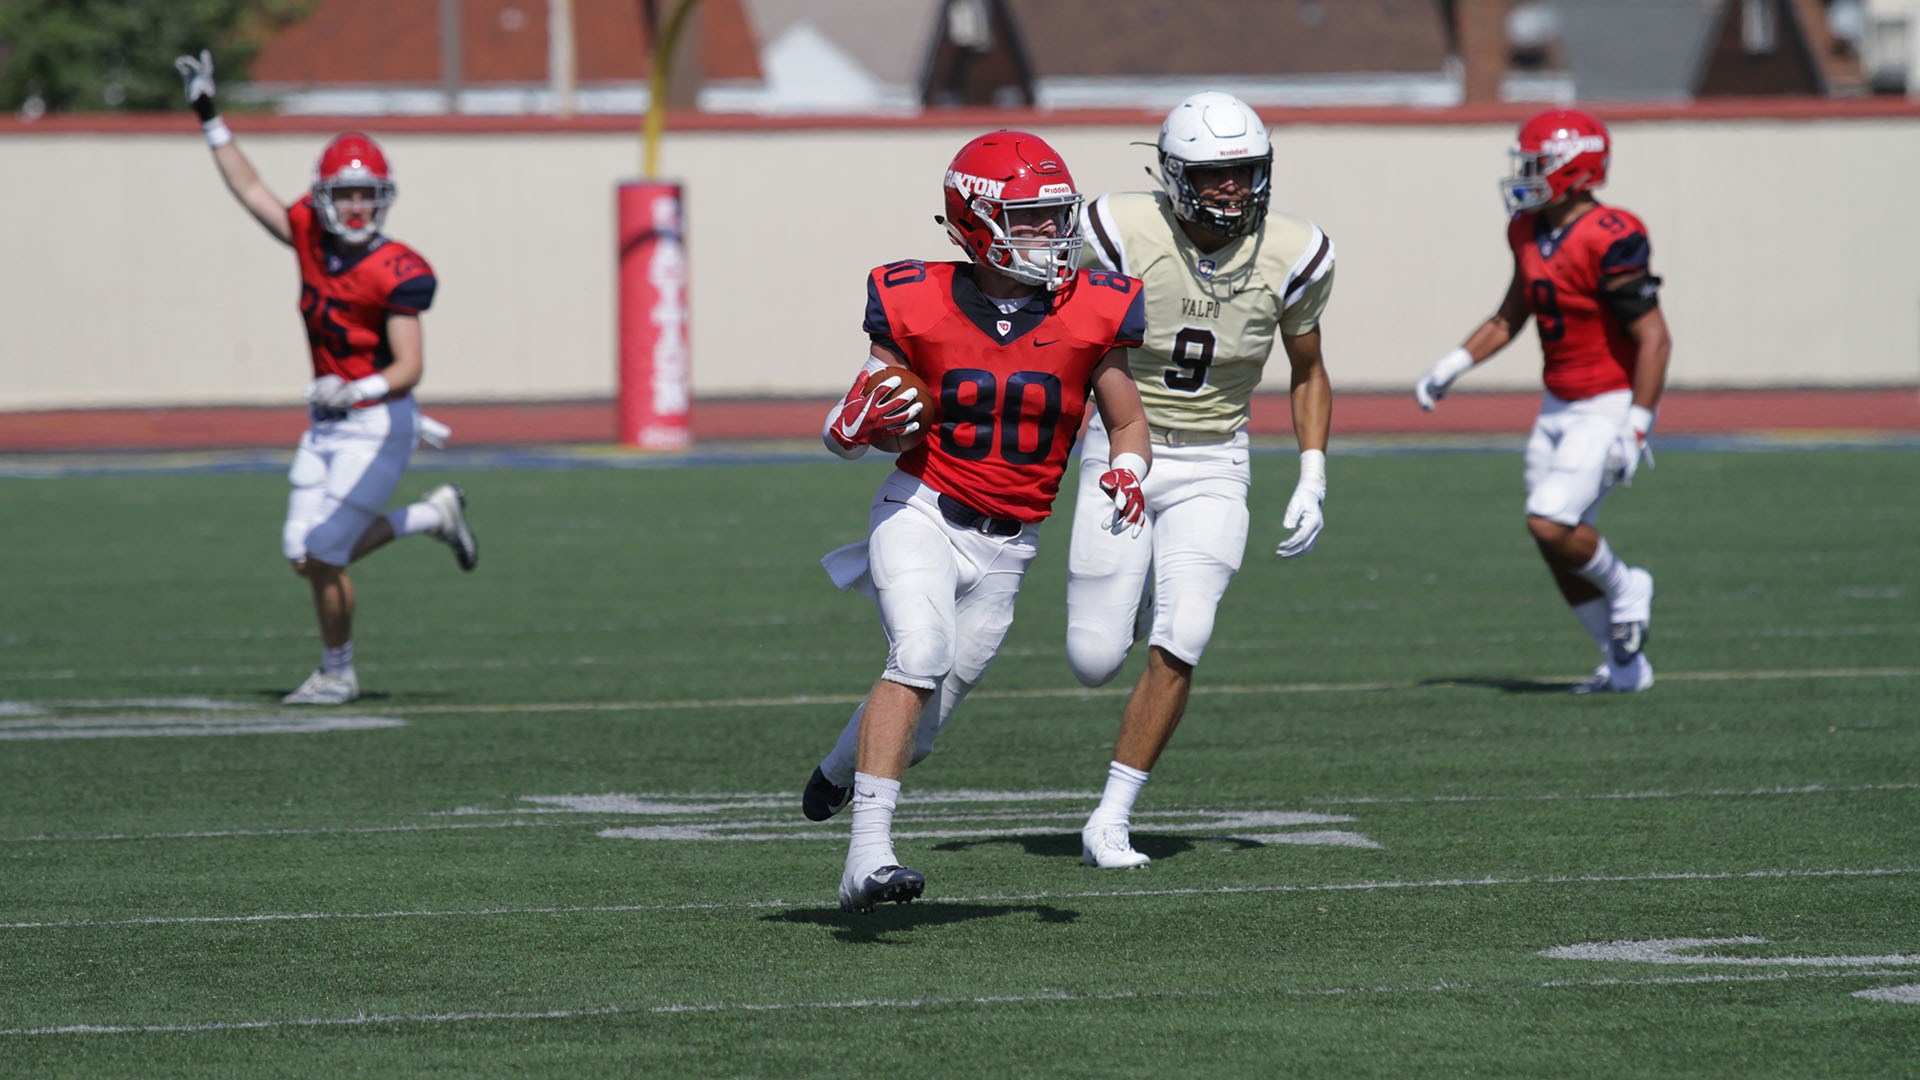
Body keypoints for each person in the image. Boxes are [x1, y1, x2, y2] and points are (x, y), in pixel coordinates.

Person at [804, 130, 1153, 912]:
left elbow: (1127, 423)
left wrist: (1128, 469)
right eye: (1029, 219)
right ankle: (867, 859)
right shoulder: (913, 297)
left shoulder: (1095, 309)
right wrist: (854, 426)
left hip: (1009, 548)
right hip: (922, 508)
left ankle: (834, 770)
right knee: (919, 651)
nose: (1050, 235)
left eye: (1056, 217)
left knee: (921, 732)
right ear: (973, 220)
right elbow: (858, 424)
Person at [1063, 91, 1336, 869]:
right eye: (1215, 176)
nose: (1233, 189)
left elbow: (1309, 369)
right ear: (1175, 174)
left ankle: (1110, 819)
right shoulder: (1117, 230)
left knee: (1184, 635)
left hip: (1217, 456)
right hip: (1124, 449)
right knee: (1092, 658)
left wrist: (1311, 473)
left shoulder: (1297, 251)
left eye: (1245, 173)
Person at [174, 50, 479, 706]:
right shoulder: (309, 234)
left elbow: (410, 366)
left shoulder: (397, 269)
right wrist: (209, 116)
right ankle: (431, 515)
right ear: (325, 195)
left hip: (377, 421)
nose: (358, 205)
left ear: (384, 196)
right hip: (327, 424)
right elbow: (250, 189)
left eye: (367, 193)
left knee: (323, 550)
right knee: (302, 552)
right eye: (346, 192)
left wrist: (357, 389)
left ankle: (337, 672)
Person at [1414, 108, 1671, 694]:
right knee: (1554, 542)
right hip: (1556, 406)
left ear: (1574, 167)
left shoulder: (1613, 236)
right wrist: (1454, 363)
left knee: (1551, 522)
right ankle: (1625, 667)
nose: (1526, 174)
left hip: (1607, 404)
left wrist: (1636, 427)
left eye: (1538, 163)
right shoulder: (1528, 228)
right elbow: (1513, 312)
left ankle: (1629, 587)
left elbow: (1655, 337)